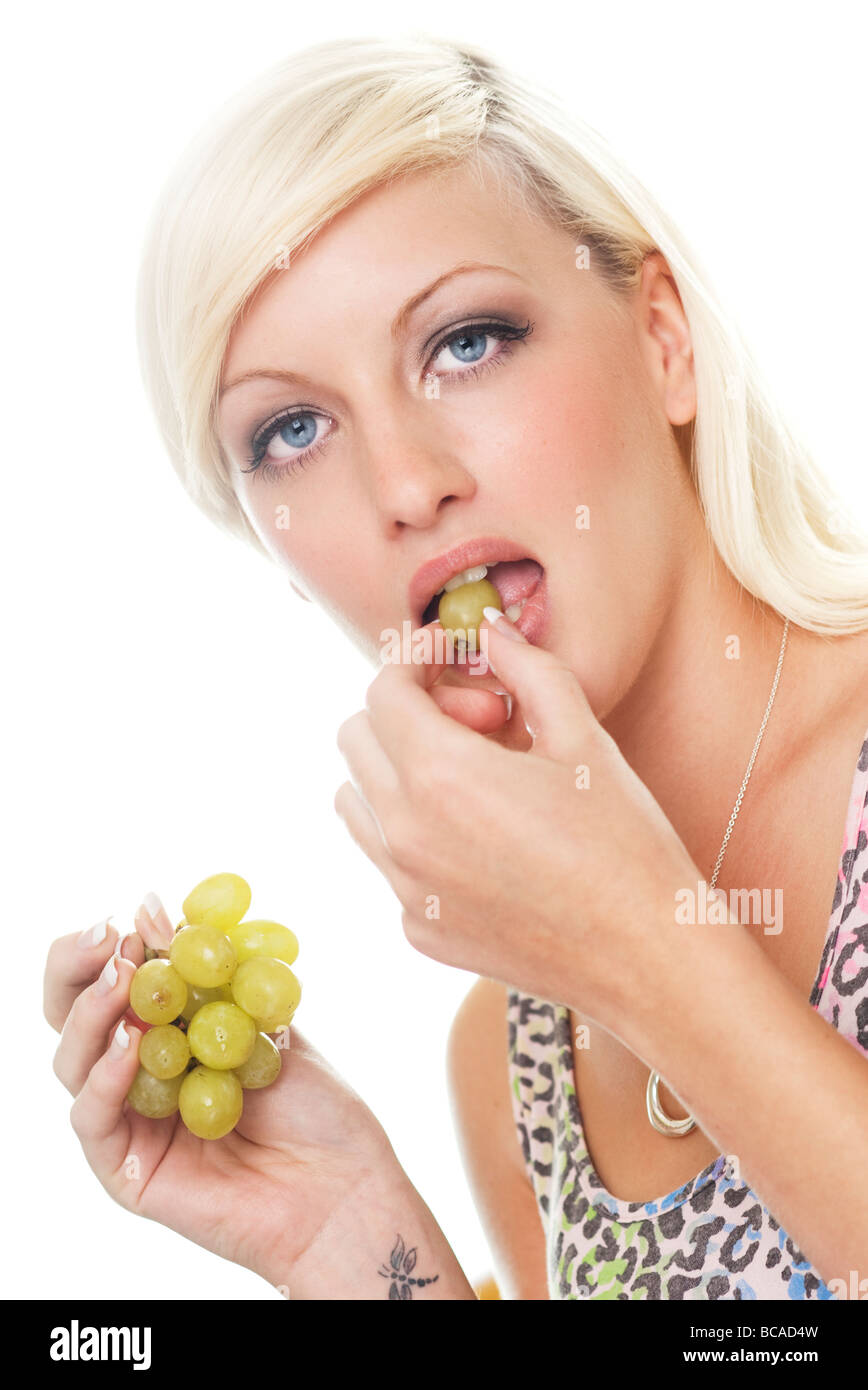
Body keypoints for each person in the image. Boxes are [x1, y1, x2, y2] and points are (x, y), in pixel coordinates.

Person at [44, 33, 868, 1300]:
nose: (407, 484)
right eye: (292, 430)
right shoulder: (513, 1062)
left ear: (663, 340)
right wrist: (349, 1237)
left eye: (466, 341)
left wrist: (643, 950)